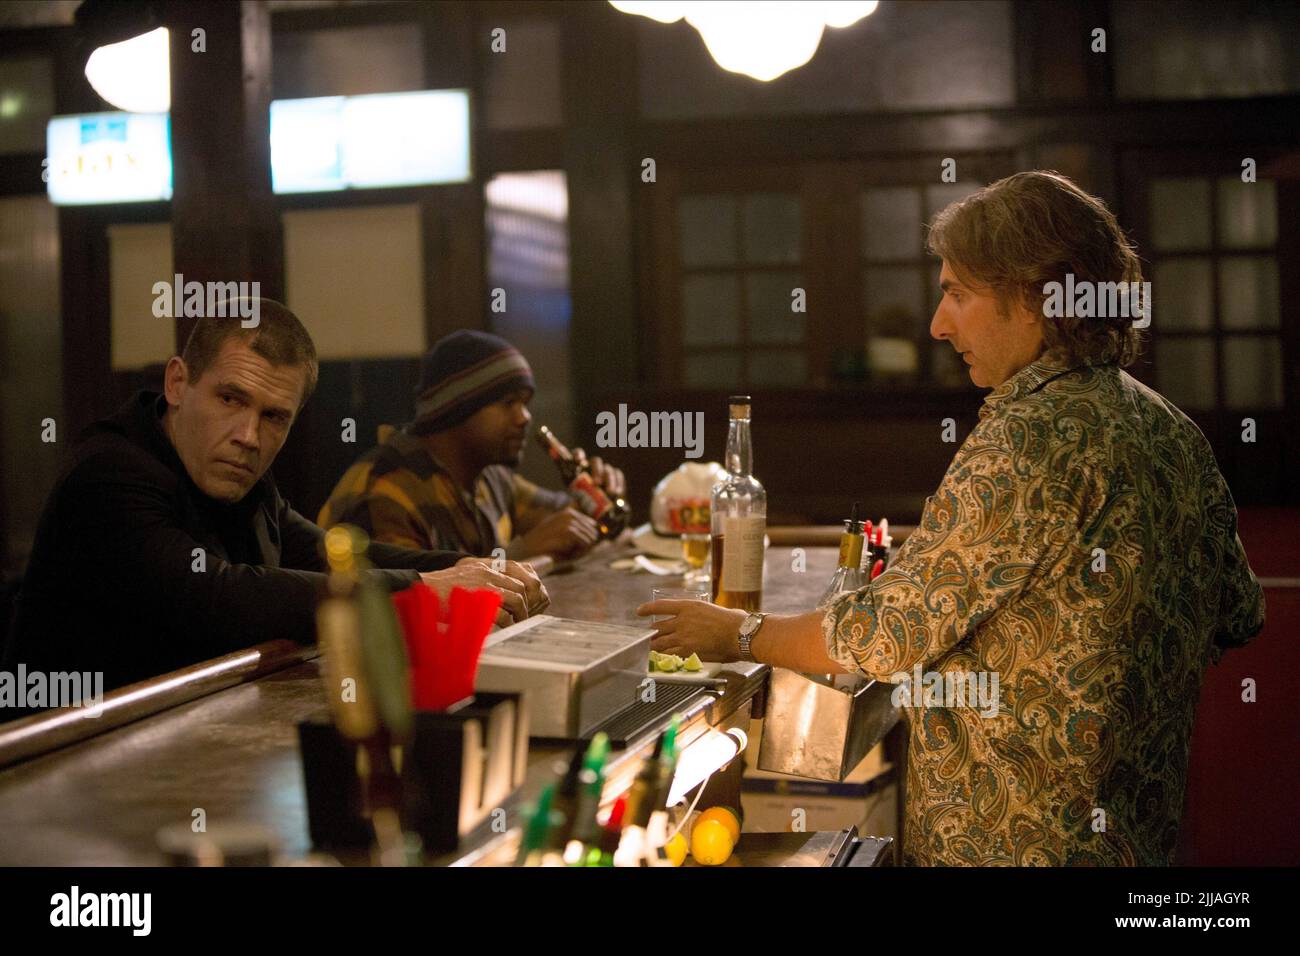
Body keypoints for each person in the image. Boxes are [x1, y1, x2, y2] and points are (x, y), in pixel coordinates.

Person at [639, 171, 1266, 866]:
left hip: (1016, 845)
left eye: (959, 295)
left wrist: (741, 631)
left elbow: (886, 633)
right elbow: (1239, 611)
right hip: (1134, 839)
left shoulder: (1030, 436)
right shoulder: (1167, 425)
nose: (939, 324)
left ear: (1034, 299)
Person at [2, 300, 546, 709]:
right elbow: (216, 594)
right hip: (51, 761)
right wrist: (426, 589)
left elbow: (335, 555)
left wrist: (476, 572)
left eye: (273, 417)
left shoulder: (240, 481)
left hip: (177, 737)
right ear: (177, 382)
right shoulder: (110, 471)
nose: (247, 434)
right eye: (230, 398)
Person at [319, 330, 625, 561]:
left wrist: (598, 499)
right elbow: (405, 602)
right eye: (508, 403)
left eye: (525, 403)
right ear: (457, 409)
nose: (524, 417)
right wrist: (517, 554)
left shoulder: (490, 477)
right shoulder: (386, 489)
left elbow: (567, 523)